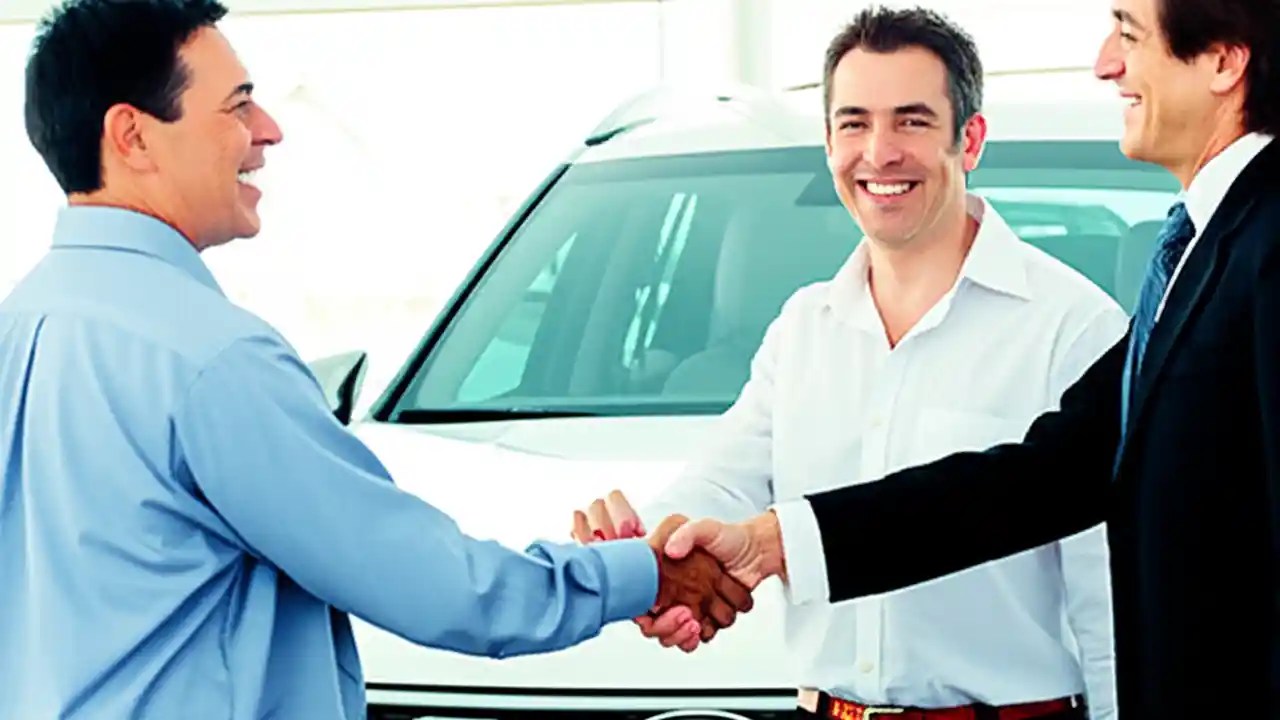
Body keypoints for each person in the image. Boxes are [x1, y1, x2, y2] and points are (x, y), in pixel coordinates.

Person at [0, 2, 748, 718]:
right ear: (131, 136)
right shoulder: (212, 360)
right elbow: (439, 589)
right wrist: (641, 573)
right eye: (237, 106)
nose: (269, 130)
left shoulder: (18, 331)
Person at [662, 0, 1280, 716]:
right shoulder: (1207, 249)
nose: (1106, 62)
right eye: (853, 121)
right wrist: (771, 544)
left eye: (1129, 33)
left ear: (1225, 61)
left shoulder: (1261, 243)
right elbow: (1044, 479)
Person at [572, 7, 1126, 719]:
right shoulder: (805, 325)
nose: (880, 152)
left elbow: (1108, 605)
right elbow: (724, 481)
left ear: (972, 139)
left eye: (912, 122)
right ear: (829, 139)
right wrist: (650, 555)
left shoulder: (1074, 328)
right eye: (855, 123)